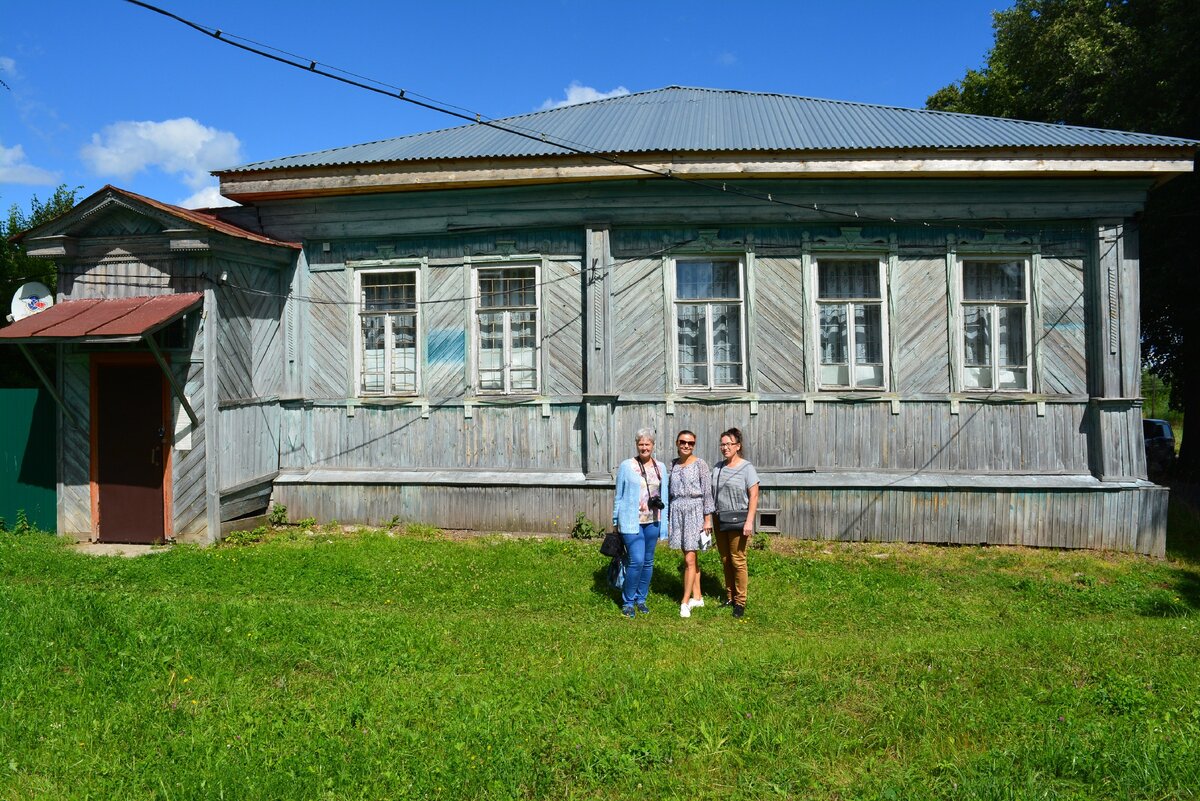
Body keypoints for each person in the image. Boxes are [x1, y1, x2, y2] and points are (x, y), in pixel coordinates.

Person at [612, 429, 670, 618]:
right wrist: (615, 520)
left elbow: (665, 497)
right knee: (636, 561)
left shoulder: (660, 467)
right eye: (641, 444)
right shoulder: (626, 466)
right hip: (631, 521)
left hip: (653, 521)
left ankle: (641, 599)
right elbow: (618, 495)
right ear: (637, 445)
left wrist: (664, 523)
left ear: (653, 446)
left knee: (648, 562)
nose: (644, 447)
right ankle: (628, 601)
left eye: (648, 444)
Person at [712, 427, 759, 619]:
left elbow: (754, 495)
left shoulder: (747, 468)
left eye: (728, 444)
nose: (725, 448)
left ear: (737, 446)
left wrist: (749, 521)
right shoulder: (717, 467)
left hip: (739, 519)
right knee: (725, 559)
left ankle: (741, 602)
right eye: (722, 444)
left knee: (738, 560)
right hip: (719, 517)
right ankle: (730, 596)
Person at [668, 429, 714, 618]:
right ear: (677, 443)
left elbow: (707, 492)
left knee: (689, 559)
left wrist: (707, 519)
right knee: (689, 557)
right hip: (677, 510)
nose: (686, 445)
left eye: (690, 443)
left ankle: (685, 602)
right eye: (683, 442)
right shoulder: (672, 465)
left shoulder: (700, 465)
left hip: (695, 510)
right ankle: (698, 596)